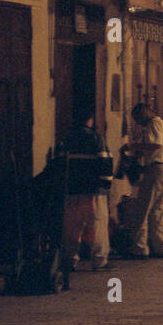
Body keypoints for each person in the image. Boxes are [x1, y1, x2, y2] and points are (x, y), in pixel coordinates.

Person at [55, 108, 114, 272]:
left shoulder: (67, 139)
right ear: (90, 119)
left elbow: (58, 164)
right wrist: (106, 185)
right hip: (94, 190)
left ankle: (69, 260)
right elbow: (105, 163)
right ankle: (99, 261)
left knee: (72, 227)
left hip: (72, 190)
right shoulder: (96, 138)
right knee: (97, 226)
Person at [120, 103, 163, 258]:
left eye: (138, 117)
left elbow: (155, 145)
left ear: (145, 112)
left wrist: (133, 146)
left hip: (158, 170)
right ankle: (162, 247)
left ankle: (139, 247)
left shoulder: (154, 124)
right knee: (157, 210)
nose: (138, 122)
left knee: (142, 209)